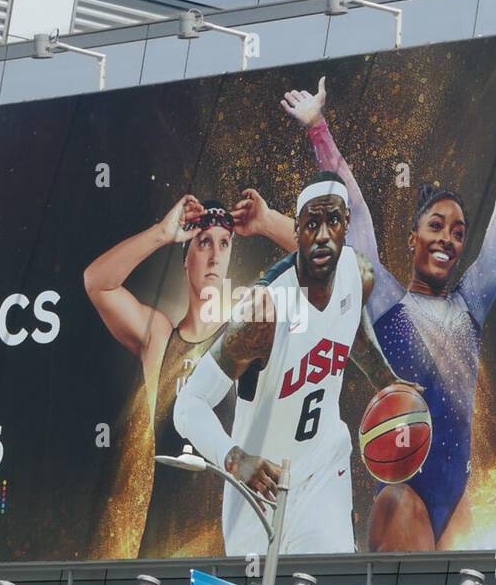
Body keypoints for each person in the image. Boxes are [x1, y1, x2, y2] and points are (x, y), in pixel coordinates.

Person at [279, 49, 496, 551]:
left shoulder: (472, 303)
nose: (448, 240)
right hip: (404, 493)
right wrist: (317, 127)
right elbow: (357, 208)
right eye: (436, 227)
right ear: (413, 238)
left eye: (458, 232)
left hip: (458, 500)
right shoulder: (385, 298)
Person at [173, 173, 416, 556]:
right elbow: (188, 406)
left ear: (346, 224)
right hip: (258, 486)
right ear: (298, 230)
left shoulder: (359, 273)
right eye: (311, 224)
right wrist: (236, 460)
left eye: (332, 221)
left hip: (322, 471)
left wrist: (386, 379)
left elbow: (350, 320)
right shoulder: (263, 312)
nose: (322, 235)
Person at [83, 191, 295, 557]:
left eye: (225, 244)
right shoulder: (160, 338)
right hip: (160, 554)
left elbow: (331, 267)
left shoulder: (249, 333)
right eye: (203, 243)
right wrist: (162, 234)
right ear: (185, 257)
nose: (215, 256)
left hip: (233, 553)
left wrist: (268, 222)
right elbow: (97, 282)